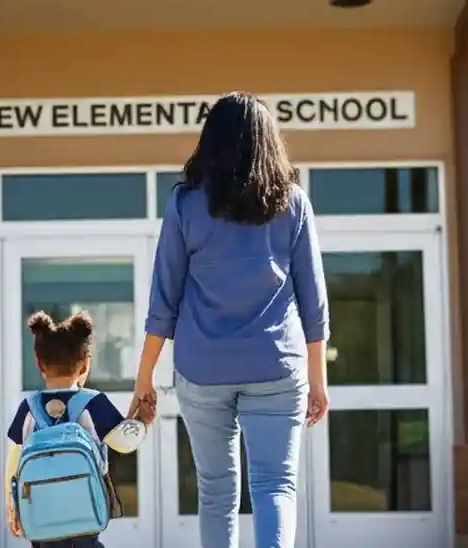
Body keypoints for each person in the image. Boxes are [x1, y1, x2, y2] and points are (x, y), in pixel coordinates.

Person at [132, 92, 330, 548]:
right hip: (276, 367)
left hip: (203, 370)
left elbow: (165, 298)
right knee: (275, 487)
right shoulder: (293, 204)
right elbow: (313, 299)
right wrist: (318, 378)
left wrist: (144, 378)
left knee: (217, 493)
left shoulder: (185, 205)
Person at [6, 311, 155, 548]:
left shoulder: (28, 408)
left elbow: (14, 462)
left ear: (38, 363)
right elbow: (124, 443)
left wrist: (13, 506)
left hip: (41, 514)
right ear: (86, 363)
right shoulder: (93, 403)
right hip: (84, 510)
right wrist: (142, 422)